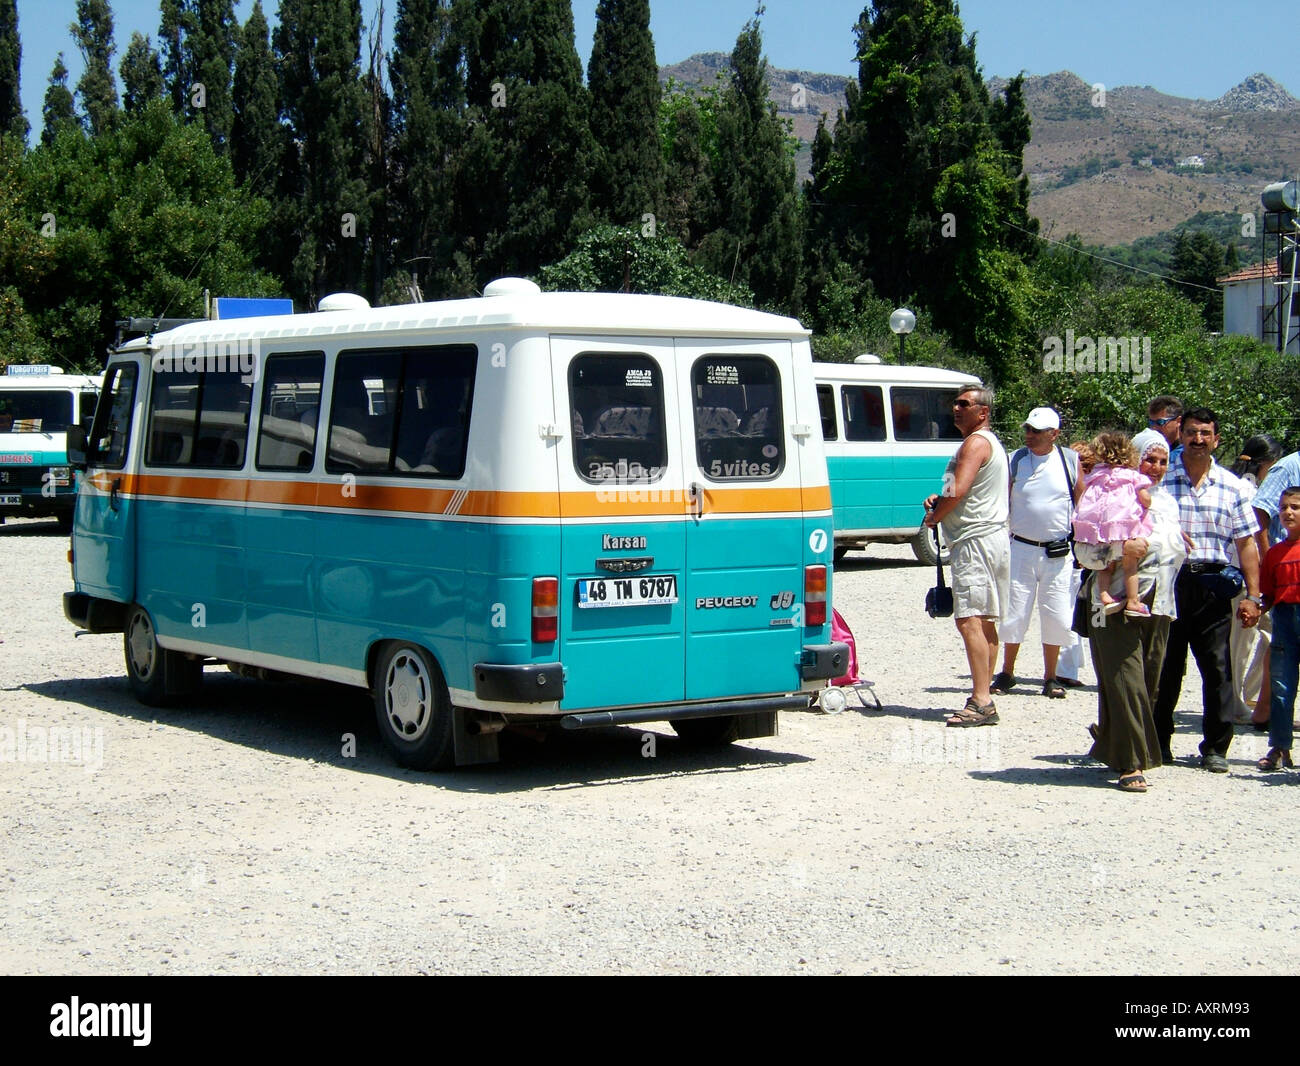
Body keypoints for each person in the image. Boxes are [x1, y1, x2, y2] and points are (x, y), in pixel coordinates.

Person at [1153, 408, 1263, 774]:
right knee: (1166, 668)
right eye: (1191, 433)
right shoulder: (1160, 479)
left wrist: (1253, 595)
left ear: (1216, 439)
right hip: (1169, 582)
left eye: (1205, 434)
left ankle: (1215, 747)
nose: (1197, 440)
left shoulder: (1233, 487)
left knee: (1218, 670)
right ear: (1179, 435)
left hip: (1213, 587)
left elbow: (1246, 544)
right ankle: (1158, 741)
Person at [1087, 429, 1188, 791]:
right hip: (1110, 605)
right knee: (1126, 681)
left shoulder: (1168, 503)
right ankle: (1132, 764)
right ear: (1133, 459)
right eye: (1149, 459)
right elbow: (1091, 547)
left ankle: (1109, 741)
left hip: (1158, 605)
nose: (1157, 467)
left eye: (1162, 461)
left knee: (1146, 685)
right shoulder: (1114, 494)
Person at [922, 384, 1009, 727]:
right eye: (955, 403)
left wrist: (937, 514)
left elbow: (957, 490)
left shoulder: (976, 443)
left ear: (983, 412)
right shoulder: (987, 444)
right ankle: (984, 691)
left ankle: (981, 700)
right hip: (991, 538)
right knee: (985, 619)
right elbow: (957, 487)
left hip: (975, 541)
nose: (956, 408)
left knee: (970, 618)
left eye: (964, 403)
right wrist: (939, 500)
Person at [991, 407, 1083, 699]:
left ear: (1054, 434)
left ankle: (1051, 676)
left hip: (1058, 552)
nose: (1029, 436)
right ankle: (1007, 671)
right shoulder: (1015, 459)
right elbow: (1002, 496)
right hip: (1021, 547)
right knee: (1014, 611)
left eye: (1037, 431)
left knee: (1055, 613)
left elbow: (1080, 501)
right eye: (1028, 429)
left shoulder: (1069, 461)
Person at [1227, 436, 1283, 724]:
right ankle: (1236, 703)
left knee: (1267, 638)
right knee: (1240, 643)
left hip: (1251, 573)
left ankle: (1250, 694)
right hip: (1246, 574)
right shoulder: (1247, 491)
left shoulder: (1248, 487)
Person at [1073, 431, 1154, 617]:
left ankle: (1104, 594)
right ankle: (1133, 600)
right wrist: (1148, 503)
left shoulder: (1096, 475)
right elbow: (1145, 498)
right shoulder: (1132, 476)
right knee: (1130, 564)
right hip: (1124, 526)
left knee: (1106, 566)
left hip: (1099, 530)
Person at [1257, 486, 1300, 771]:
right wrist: (1255, 607)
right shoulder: (1275, 553)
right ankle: (1279, 746)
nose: (1288, 512)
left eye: (1295, 507)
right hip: (1285, 620)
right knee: (1282, 686)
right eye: (1284, 507)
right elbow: (1268, 595)